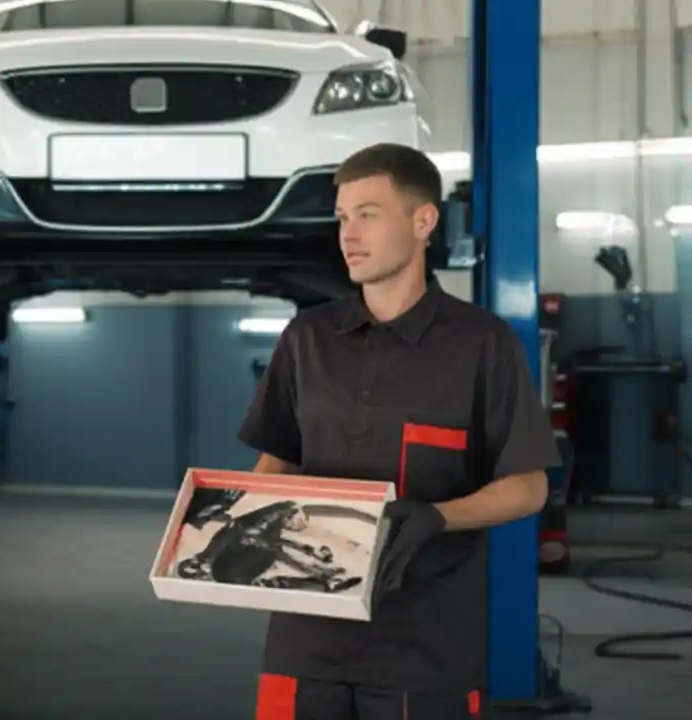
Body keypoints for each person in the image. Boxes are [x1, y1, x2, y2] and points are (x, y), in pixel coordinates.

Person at [238, 143, 560, 720]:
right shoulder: (307, 338)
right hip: (304, 637)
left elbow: (528, 486)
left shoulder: (481, 345)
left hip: (424, 644)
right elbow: (276, 463)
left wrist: (437, 515)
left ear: (423, 221)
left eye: (368, 213)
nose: (348, 234)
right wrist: (229, 521)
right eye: (341, 217)